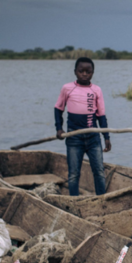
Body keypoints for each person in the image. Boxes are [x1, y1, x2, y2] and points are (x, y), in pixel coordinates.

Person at [54, 57, 111, 196]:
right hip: (74, 138)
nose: (85, 74)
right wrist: (59, 129)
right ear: (75, 72)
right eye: (81, 71)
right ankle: (74, 202)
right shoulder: (67, 88)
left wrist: (106, 137)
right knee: (73, 174)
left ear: (93, 73)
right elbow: (58, 109)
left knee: (99, 171)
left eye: (88, 71)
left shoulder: (96, 90)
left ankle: (102, 200)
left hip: (93, 137)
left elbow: (101, 115)